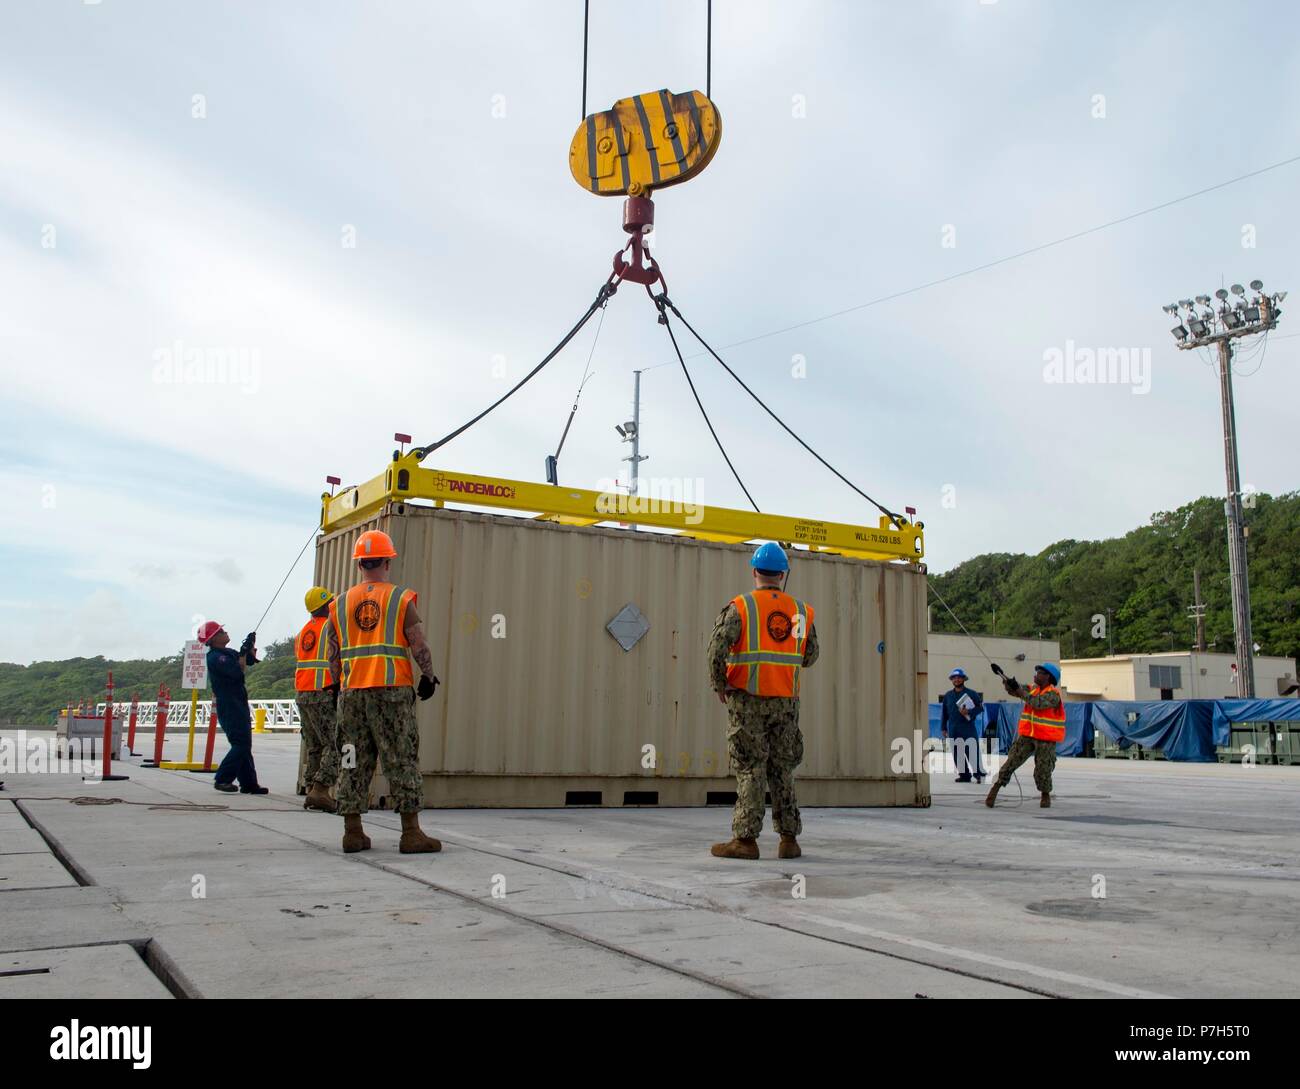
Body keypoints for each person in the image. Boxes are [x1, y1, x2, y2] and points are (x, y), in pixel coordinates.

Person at [326, 529, 441, 854]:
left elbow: (333, 654)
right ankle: (411, 833)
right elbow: (418, 643)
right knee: (401, 757)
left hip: (352, 694)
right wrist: (429, 676)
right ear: (388, 560)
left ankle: (352, 832)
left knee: (352, 758)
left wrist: (338, 685)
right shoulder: (399, 598)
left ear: (359, 563)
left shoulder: (339, 604)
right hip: (391, 691)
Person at [706, 541, 818, 860]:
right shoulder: (800, 611)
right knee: (782, 767)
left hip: (747, 700)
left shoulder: (741, 607)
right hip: (785, 701)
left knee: (750, 766)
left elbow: (716, 649)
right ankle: (788, 840)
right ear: (783, 574)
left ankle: (745, 840)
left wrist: (719, 684)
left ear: (755, 571)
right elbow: (810, 655)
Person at [196, 620, 267, 795]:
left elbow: (248, 661)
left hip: (237, 701)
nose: (224, 633)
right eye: (220, 632)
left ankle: (249, 783)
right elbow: (238, 670)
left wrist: (249, 647)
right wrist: (243, 655)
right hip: (229, 703)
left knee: (243, 744)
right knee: (241, 743)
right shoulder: (216, 657)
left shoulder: (226, 652)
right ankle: (223, 778)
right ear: (213, 639)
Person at [986, 662, 1065, 809]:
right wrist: (1006, 680)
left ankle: (1045, 794)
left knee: (1043, 768)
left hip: (1045, 738)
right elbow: (1017, 690)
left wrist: (1019, 691)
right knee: (1011, 762)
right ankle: (995, 789)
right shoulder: (1032, 689)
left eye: (1040, 672)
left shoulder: (1053, 694)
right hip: (1028, 735)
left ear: (1048, 677)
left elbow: (1036, 703)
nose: (1036, 674)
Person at [296, 586, 340, 813]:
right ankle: (321, 790)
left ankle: (311, 788)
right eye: (330, 601)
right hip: (322, 691)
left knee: (314, 745)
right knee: (334, 743)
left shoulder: (304, 631)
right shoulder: (330, 627)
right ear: (323, 605)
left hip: (303, 693)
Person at [940, 668, 985, 783]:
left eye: (959, 677)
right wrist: (943, 728)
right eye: (954, 678)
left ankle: (978, 774)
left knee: (972, 751)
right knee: (957, 753)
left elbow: (980, 708)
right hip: (954, 728)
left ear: (964, 679)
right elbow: (944, 713)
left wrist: (969, 712)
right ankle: (964, 776)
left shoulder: (971, 693)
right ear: (952, 680)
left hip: (968, 728)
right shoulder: (948, 696)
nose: (957, 679)